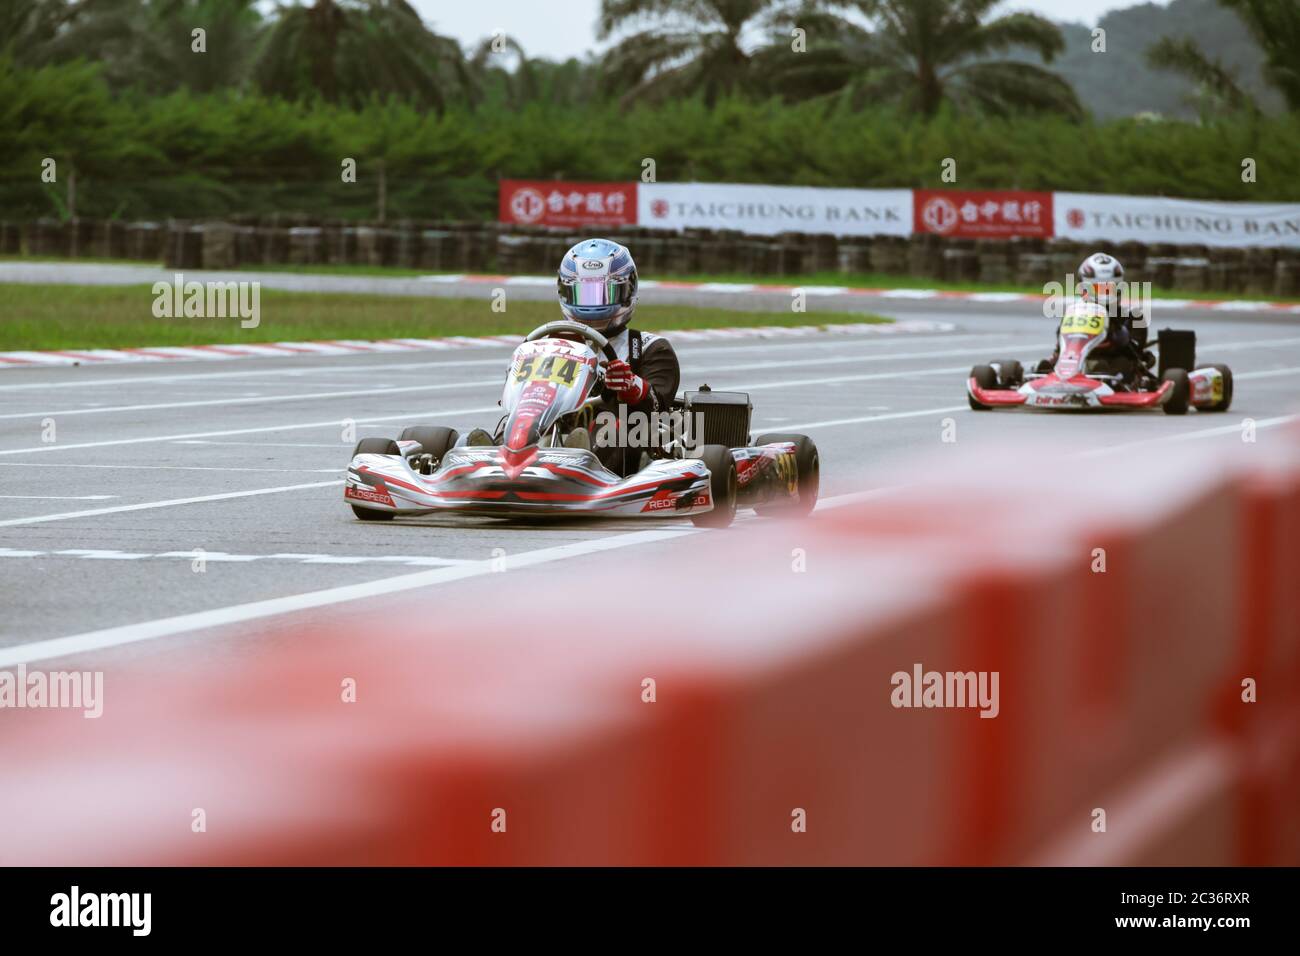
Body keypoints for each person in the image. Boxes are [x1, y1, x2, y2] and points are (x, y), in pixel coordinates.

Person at [555, 238, 681, 474]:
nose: (592, 305)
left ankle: (579, 457)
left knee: (612, 428)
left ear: (627, 290)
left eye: (604, 293)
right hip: (556, 429)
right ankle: (494, 449)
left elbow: (658, 406)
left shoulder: (651, 348)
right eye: (583, 294)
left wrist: (632, 386)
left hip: (623, 440)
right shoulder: (552, 344)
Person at [1041, 252, 1149, 382]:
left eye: (1109, 289)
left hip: (1113, 366)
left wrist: (1117, 333)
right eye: (1097, 289)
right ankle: (1043, 375)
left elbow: (1135, 354)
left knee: (1118, 364)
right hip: (1076, 361)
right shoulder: (1074, 313)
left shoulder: (1133, 317)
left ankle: (1106, 382)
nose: (1104, 295)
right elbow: (1061, 349)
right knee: (1045, 365)